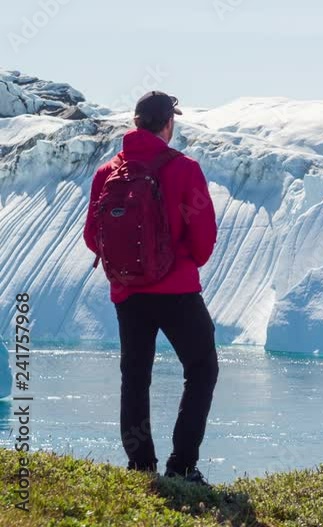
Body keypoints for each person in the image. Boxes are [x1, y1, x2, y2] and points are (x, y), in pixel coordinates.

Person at [83, 91, 218, 485]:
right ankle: (182, 465)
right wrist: (179, 261)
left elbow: (94, 236)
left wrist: (129, 269)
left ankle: (141, 466)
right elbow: (203, 237)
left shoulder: (107, 173)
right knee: (201, 367)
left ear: (136, 122)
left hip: (129, 294)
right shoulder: (185, 168)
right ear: (168, 124)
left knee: (136, 375)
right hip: (177, 290)